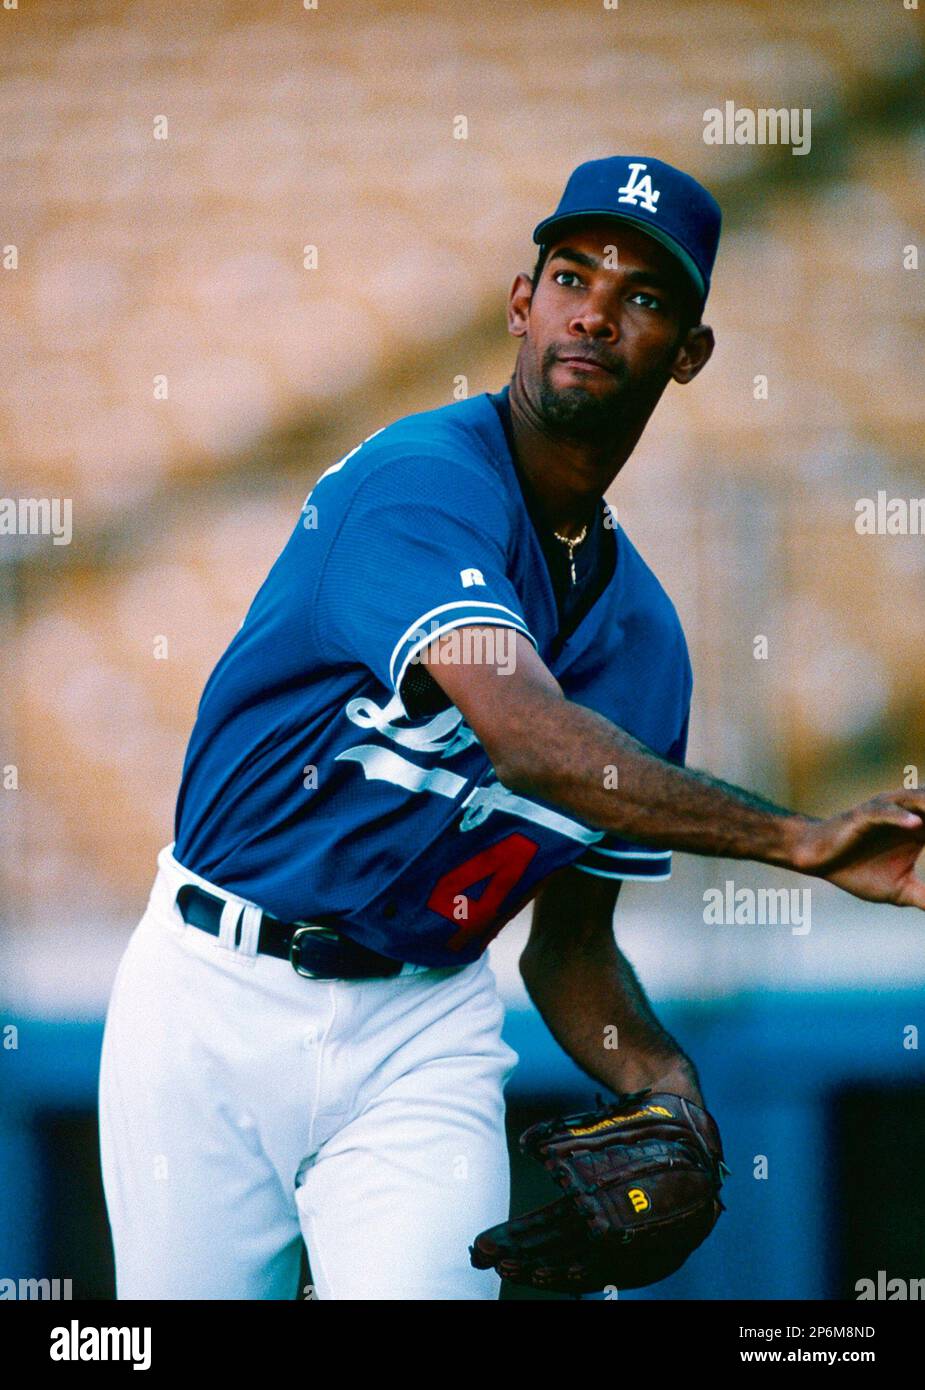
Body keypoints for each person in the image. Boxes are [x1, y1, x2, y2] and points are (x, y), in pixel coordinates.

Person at [98, 155, 925, 1301]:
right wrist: (796, 840)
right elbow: (534, 738)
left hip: (419, 1025)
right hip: (209, 995)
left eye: (643, 295)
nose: (596, 307)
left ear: (687, 353)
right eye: (573, 273)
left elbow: (571, 949)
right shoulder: (418, 483)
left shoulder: (644, 645)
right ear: (520, 304)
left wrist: (675, 1100)